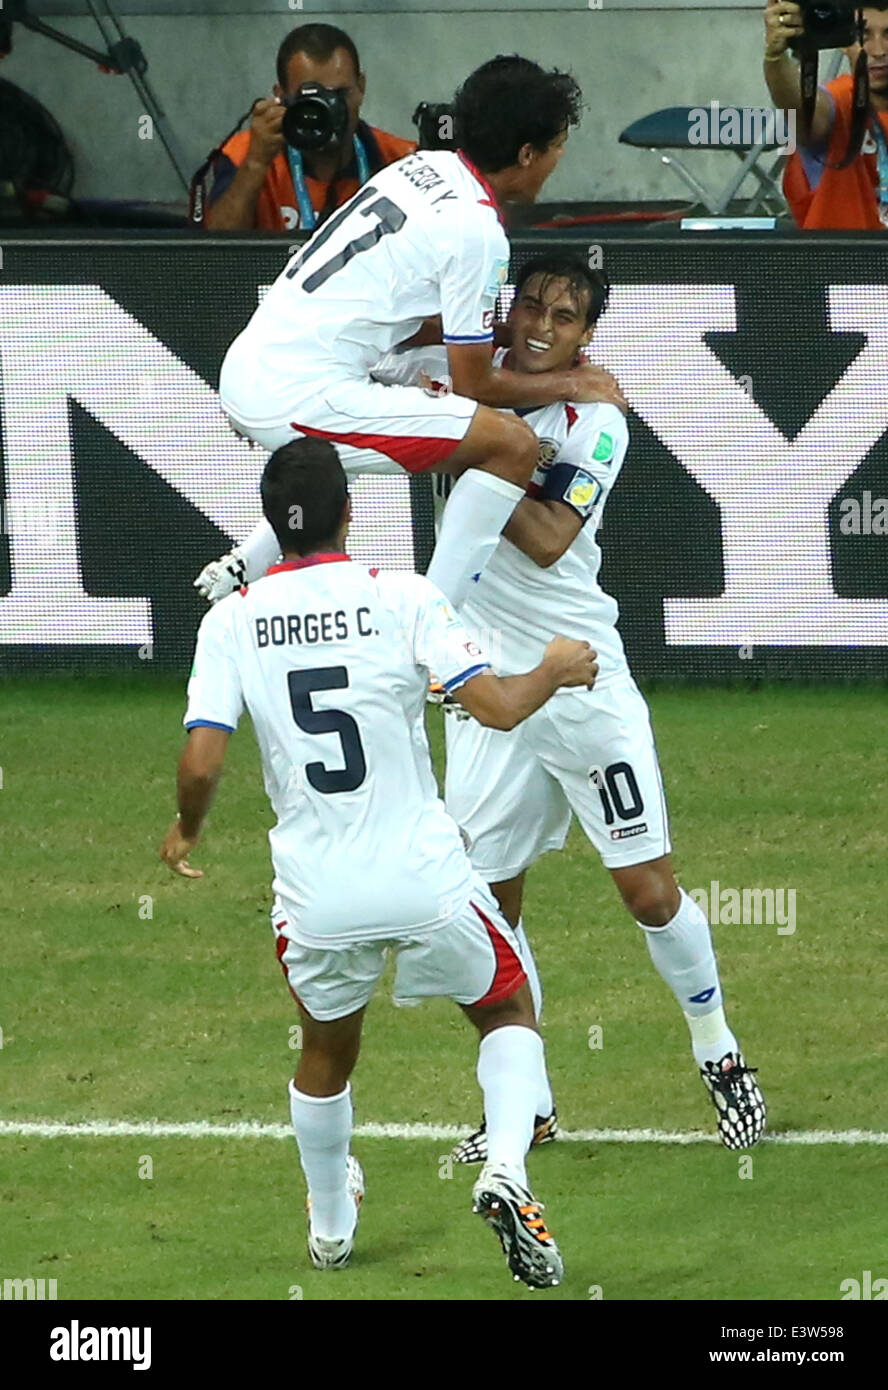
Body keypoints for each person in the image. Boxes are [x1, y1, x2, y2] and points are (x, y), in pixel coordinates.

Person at [161, 437, 598, 1287]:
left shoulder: (231, 621)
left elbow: (204, 762)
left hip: (318, 895)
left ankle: (330, 1230)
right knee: (506, 1010)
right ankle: (506, 1169)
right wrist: (551, 667)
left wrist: (186, 830)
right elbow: (501, 709)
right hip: (425, 879)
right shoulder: (402, 597)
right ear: (349, 513)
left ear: (271, 526)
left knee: (327, 1051)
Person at [378, 253, 767, 1159]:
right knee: (487, 904)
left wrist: (472, 441)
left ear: (588, 336)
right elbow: (365, 360)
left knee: (646, 889)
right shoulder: (458, 382)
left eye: (566, 316)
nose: (544, 326)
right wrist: (447, 395)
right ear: (507, 314)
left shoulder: (595, 418)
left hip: (578, 672)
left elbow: (552, 538)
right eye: (532, 308)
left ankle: (719, 1050)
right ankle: (529, 1106)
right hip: (485, 685)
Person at [195, 55, 624, 616]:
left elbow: (400, 317)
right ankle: (437, 624)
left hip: (257, 364)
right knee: (509, 443)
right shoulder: (476, 229)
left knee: (388, 425)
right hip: (294, 391)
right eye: (558, 144)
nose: (560, 156)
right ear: (526, 154)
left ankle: (245, 562)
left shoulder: (417, 170)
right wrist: (572, 383)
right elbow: (475, 385)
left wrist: (489, 337)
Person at [204, 23, 416, 233]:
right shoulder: (243, 154)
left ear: (360, 88)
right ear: (282, 96)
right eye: (313, 98)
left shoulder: (402, 160)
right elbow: (217, 252)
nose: (330, 110)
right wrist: (256, 163)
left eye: (340, 95)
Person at [764, 2, 888, 228]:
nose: (878, 50)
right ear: (843, 41)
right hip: (844, 260)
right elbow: (800, 109)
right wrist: (776, 57)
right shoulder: (836, 103)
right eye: (862, 35)